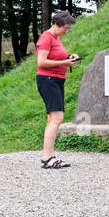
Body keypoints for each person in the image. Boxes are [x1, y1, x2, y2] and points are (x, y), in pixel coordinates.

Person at [36, 10, 80, 169]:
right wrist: (64, 63)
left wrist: (69, 57)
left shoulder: (56, 37)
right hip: (48, 80)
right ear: (57, 24)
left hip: (56, 80)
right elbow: (41, 62)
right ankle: (48, 158)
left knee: (52, 119)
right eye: (66, 28)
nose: (67, 31)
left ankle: (49, 156)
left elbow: (56, 57)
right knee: (57, 118)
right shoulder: (46, 37)